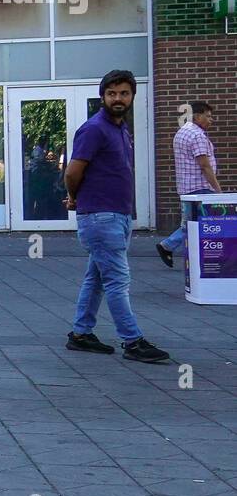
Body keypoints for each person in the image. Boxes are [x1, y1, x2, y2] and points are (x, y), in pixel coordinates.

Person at [63, 70, 170, 364]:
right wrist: (74, 197)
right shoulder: (94, 129)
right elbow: (73, 171)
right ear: (103, 97)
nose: (118, 98)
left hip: (117, 215)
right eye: (112, 94)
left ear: (132, 96)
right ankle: (132, 340)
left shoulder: (121, 129)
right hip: (100, 217)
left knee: (96, 277)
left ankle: (81, 334)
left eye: (124, 93)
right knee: (117, 280)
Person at [157, 101, 222, 268]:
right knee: (206, 223)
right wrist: (218, 190)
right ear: (197, 116)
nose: (211, 120)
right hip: (200, 187)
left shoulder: (182, 132)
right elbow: (204, 165)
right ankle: (171, 246)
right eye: (208, 116)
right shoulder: (197, 135)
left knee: (192, 222)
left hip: (186, 186)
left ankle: (170, 246)